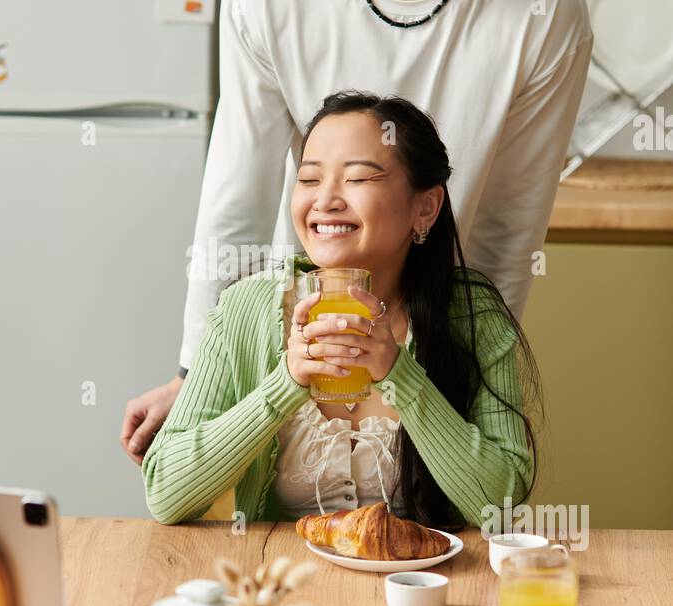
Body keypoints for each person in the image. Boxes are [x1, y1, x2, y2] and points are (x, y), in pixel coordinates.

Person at [123, 0, 591, 465]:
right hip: (303, 319)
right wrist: (195, 379)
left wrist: (466, 397)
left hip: (438, 324)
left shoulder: (543, 13)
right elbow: (235, 201)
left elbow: (507, 228)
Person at [142, 93, 538, 529]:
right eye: (309, 180)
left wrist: (399, 375)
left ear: (424, 207)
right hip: (285, 587)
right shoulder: (246, 309)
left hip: (416, 588)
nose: (325, 200)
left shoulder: (473, 315)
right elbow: (165, 493)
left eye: (358, 179)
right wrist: (284, 386)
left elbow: (498, 509)